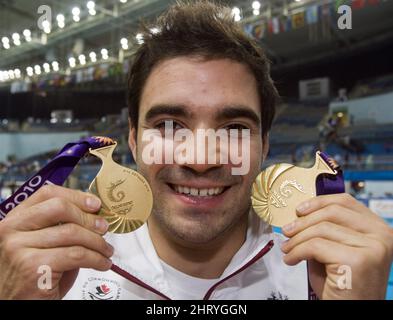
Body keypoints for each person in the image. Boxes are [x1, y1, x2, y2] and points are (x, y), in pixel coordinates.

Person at [0, 1, 392, 300]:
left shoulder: (324, 280)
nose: (201, 159)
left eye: (235, 128)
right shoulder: (49, 278)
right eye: (169, 125)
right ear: (133, 141)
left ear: (264, 145)